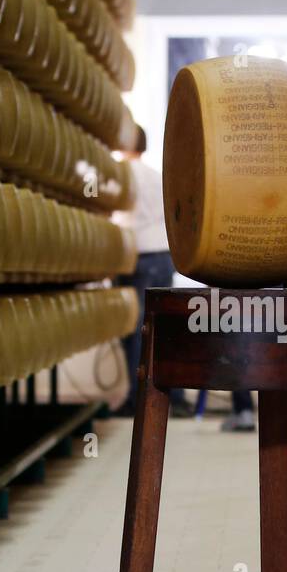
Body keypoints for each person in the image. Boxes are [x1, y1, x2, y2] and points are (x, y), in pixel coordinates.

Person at [115, 127, 191, 417]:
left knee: (136, 330)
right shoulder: (155, 176)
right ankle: (177, 397)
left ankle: (137, 399)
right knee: (164, 327)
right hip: (163, 253)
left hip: (139, 255)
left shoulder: (122, 174)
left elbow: (113, 212)